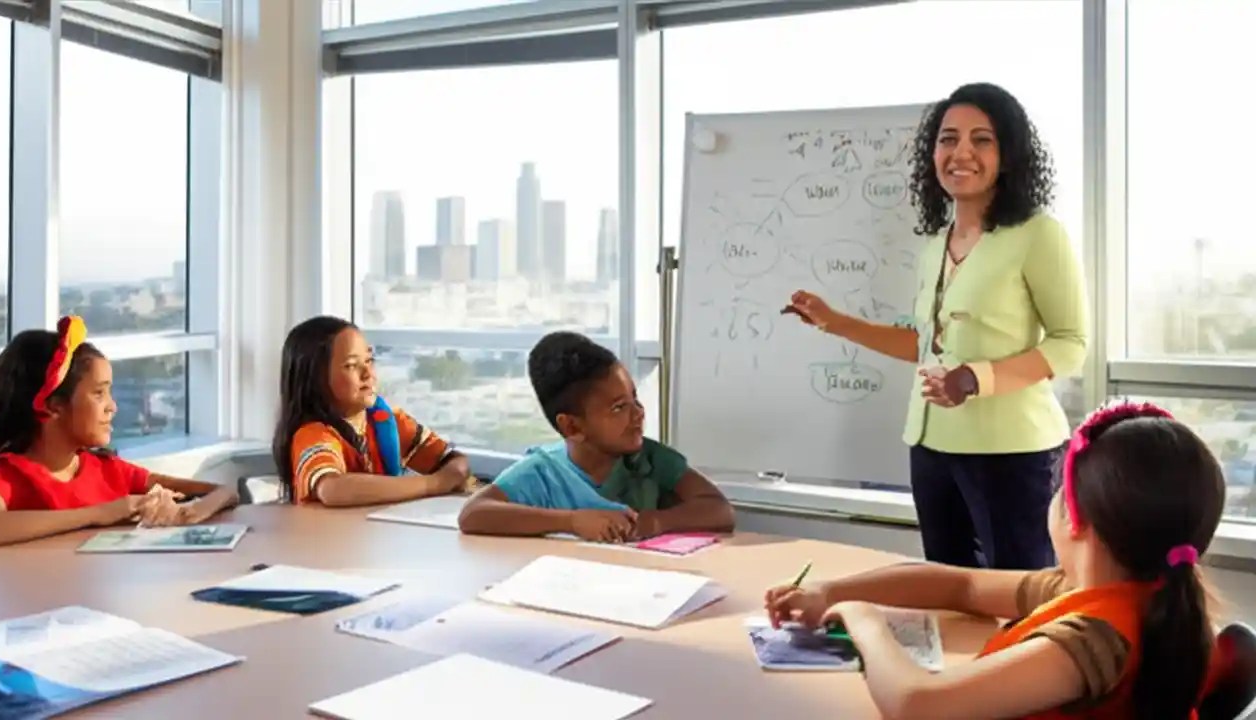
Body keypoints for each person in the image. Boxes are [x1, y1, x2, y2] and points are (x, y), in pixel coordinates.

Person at [784, 82, 1087, 569]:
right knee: (947, 589)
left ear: (1007, 155)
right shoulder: (934, 244)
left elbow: (1071, 344)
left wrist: (974, 378)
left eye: (981, 139)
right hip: (930, 446)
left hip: (1011, 450)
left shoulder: (1038, 234)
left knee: (1017, 594)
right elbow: (923, 344)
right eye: (948, 139)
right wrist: (834, 322)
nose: (960, 152)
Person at [763, 402, 1225, 720]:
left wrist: (862, 621)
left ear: (1077, 520)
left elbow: (917, 706)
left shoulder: (1095, 639)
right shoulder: (1114, 591)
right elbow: (960, 585)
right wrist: (833, 592)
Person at [0, 317, 238, 547]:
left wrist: (188, 512)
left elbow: (224, 492)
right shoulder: (7, 475)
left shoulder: (109, 470)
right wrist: (100, 513)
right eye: (98, 393)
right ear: (54, 406)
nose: (112, 406)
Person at [459, 331, 734, 542]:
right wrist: (572, 522)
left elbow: (720, 510)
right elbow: (473, 514)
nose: (638, 413)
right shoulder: (544, 471)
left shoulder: (650, 460)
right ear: (572, 428)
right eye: (619, 407)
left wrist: (657, 522)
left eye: (634, 398)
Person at [273, 315, 470, 506]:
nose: (367, 374)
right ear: (315, 378)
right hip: (330, 538)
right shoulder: (313, 434)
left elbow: (452, 460)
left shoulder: (386, 419)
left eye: (369, 360)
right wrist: (432, 484)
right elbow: (332, 489)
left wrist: (455, 472)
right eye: (351, 365)